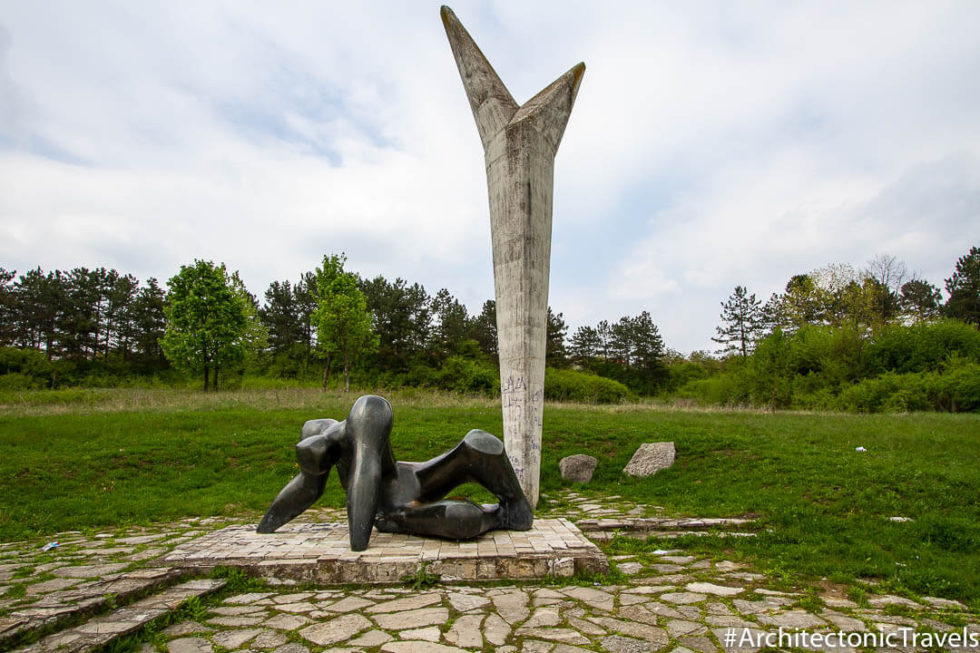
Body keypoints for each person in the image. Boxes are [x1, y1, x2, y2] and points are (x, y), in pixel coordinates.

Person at [257, 394, 533, 551]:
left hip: (412, 481)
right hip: (392, 509)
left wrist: (358, 543)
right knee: (462, 519)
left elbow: (367, 470)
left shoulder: (367, 411)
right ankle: (492, 517)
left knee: (479, 443)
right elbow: (307, 488)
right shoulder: (313, 431)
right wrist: (267, 526)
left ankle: (514, 511)